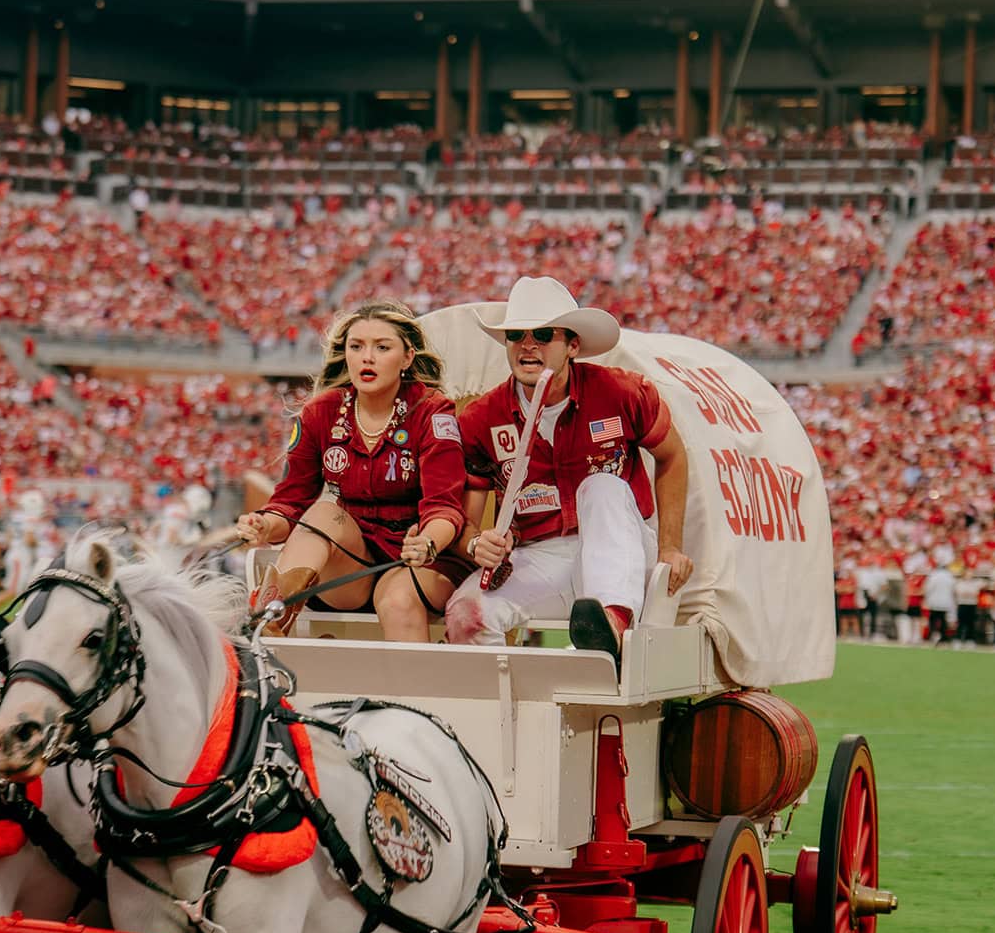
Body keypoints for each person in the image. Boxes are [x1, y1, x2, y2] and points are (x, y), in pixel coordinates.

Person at [441, 277, 693, 668]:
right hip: (542, 552)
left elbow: (673, 455)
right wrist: (477, 543)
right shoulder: (481, 419)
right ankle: (510, 701)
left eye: (543, 335)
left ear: (573, 346)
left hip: (622, 542)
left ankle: (611, 625)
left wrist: (670, 546)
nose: (527, 345)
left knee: (602, 487)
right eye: (515, 335)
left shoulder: (622, 393)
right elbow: (466, 522)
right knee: (465, 616)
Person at [237, 300, 469, 643]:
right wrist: (264, 525)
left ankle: (412, 683)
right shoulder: (321, 412)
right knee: (323, 514)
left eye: (382, 347)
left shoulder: (432, 411)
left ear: (407, 357)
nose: (367, 358)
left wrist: (428, 542)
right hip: (353, 564)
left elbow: (444, 506)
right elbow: (291, 502)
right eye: (356, 346)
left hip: (420, 559)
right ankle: (267, 626)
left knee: (398, 600)